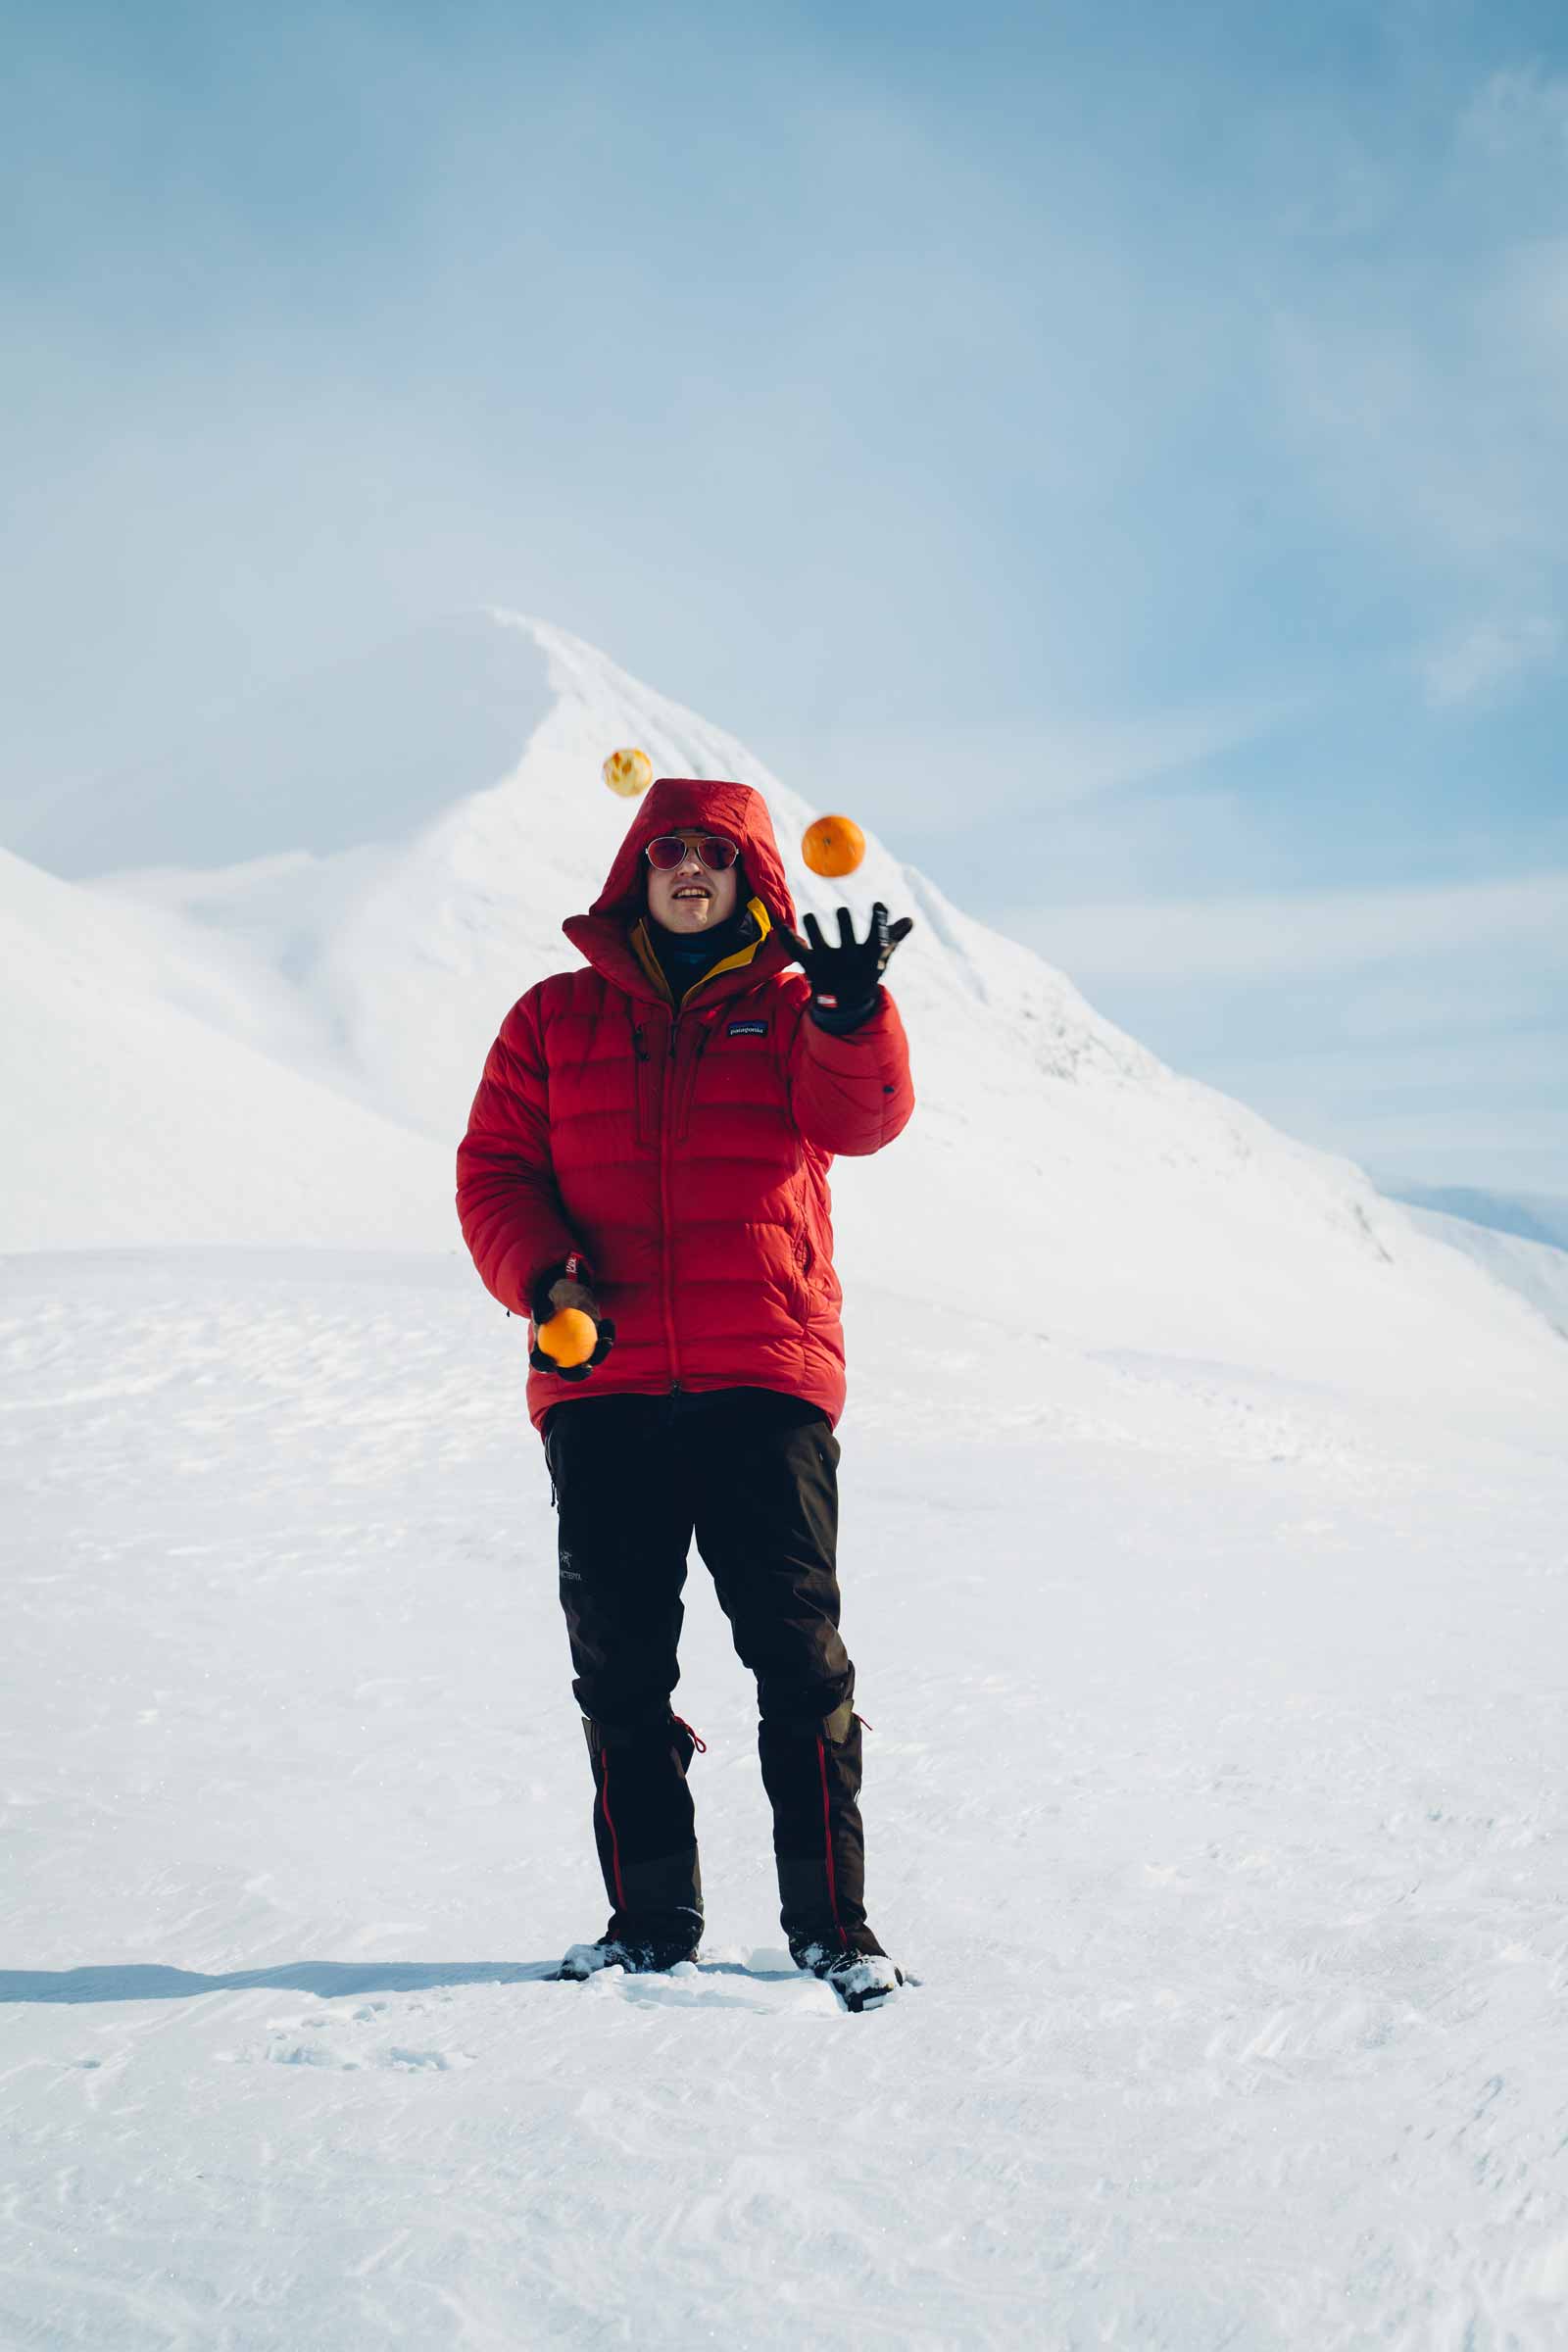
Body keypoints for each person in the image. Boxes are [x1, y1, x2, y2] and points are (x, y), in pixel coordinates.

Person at [456, 775, 915, 2007]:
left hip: (759, 1374)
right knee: (618, 1669)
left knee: (796, 1661)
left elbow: (863, 1119)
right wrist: (546, 1279)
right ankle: (653, 1922)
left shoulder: (795, 1008)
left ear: (752, 873)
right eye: (669, 849)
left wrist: (851, 1007)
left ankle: (834, 1931)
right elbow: (494, 1168)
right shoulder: (553, 1018)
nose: (690, 867)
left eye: (715, 850)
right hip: (598, 1380)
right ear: (636, 871)